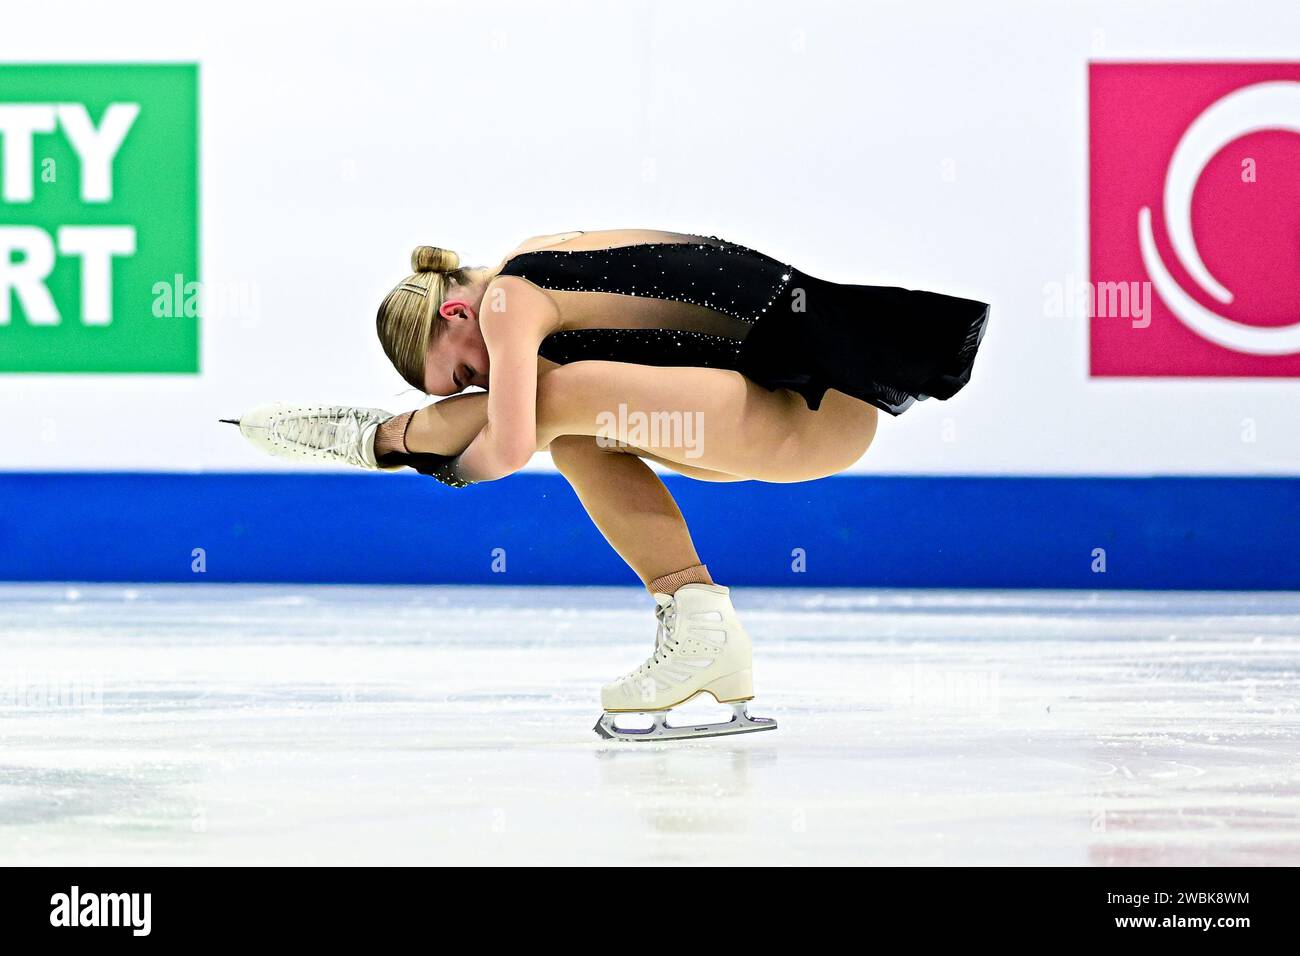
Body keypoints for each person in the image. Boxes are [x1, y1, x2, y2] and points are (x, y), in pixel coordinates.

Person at [227, 229, 990, 740]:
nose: (475, 384)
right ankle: (701, 629)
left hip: (812, 406)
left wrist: (426, 456)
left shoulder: (507, 300)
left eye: (460, 376)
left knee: (551, 404)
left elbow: (511, 442)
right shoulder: (532, 273)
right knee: (572, 423)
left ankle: (375, 438)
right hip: (782, 406)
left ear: (456, 310)